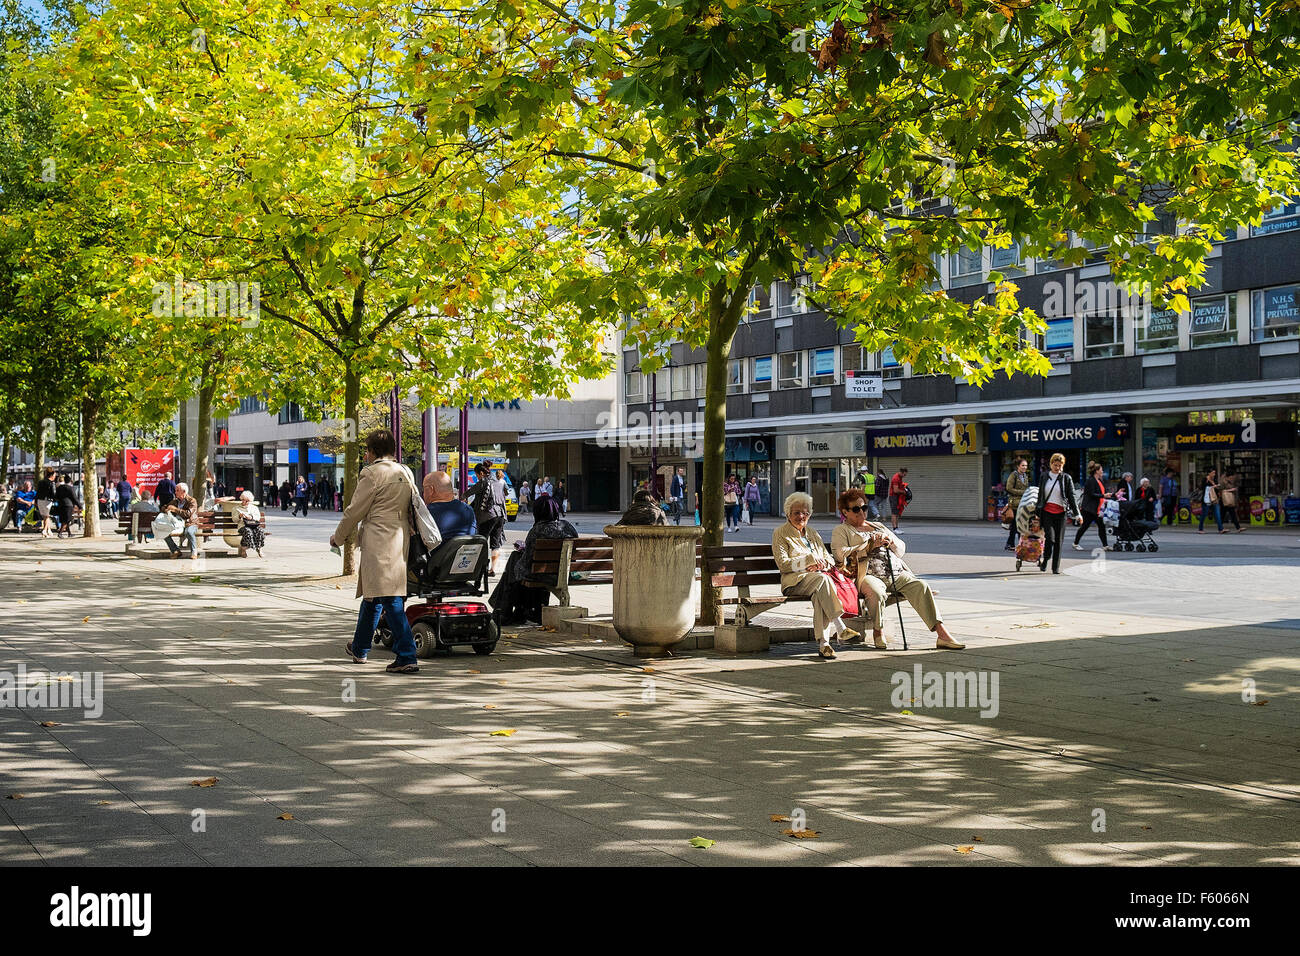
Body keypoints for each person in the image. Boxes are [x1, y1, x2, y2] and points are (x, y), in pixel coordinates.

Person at [331, 429, 422, 674]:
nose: (366, 454)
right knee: (373, 595)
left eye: (367, 450)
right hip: (399, 538)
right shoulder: (405, 471)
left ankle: (406, 654)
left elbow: (354, 511)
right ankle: (360, 648)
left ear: (371, 451)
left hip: (378, 540)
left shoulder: (371, 473)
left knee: (389, 597)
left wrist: (338, 538)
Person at [830, 488, 963, 651]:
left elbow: (901, 549)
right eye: (856, 509)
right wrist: (869, 545)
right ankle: (878, 631)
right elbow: (840, 554)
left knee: (920, 586)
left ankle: (943, 635)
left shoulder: (877, 525)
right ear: (845, 511)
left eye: (864, 508)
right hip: (868, 574)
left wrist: (890, 542)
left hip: (895, 572)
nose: (861, 512)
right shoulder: (842, 530)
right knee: (876, 592)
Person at [772, 492, 858, 659]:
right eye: (796, 512)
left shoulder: (812, 533)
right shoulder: (780, 533)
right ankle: (840, 627)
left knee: (821, 591)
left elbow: (829, 559)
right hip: (794, 582)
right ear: (788, 513)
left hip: (819, 581)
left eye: (805, 512)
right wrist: (808, 562)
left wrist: (823, 564)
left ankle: (824, 644)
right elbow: (783, 564)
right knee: (822, 581)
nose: (801, 516)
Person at [489, 495, 578, 625]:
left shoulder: (537, 530)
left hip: (543, 574)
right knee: (517, 563)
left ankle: (504, 610)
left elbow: (526, 562)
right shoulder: (568, 527)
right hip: (565, 572)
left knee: (514, 563)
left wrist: (518, 558)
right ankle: (522, 611)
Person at [1036, 453, 1080, 574]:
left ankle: (1055, 567)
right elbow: (1040, 495)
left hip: (1061, 513)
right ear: (1051, 464)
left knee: (1059, 541)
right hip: (1046, 512)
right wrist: (1037, 512)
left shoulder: (1066, 478)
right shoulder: (1044, 476)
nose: (1058, 468)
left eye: (1060, 466)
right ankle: (1045, 559)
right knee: (1050, 539)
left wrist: (1077, 514)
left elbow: (1071, 497)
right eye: (1055, 465)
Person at [467, 461, 508, 575]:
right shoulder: (498, 480)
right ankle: (492, 570)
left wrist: (462, 498)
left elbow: (469, 492)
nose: (477, 477)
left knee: (482, 541)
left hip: (488, 516)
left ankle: (482, 568)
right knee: (495, 544)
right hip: (500, 515)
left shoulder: (483, 482)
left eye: (477, 475)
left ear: (481, 473)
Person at [421, 470, 477, 539]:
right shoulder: (468, 510)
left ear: (430, 490)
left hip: (438, 550)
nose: (423, 493)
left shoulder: (426, 513)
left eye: (423, 489)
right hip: (467, 549)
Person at [1073, 461, 1112, 551]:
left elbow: (1102, 493)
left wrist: (1111, 495)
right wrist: (1103, 496)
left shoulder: (1099, 481)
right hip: (1089, 509)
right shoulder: (1090, 481)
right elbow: (1091, 494)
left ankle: (1105, 545)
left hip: (1098, 508)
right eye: (1101, 469)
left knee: (1101, 526)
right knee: (1085, 526)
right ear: (1097, 471)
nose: (1102, 471)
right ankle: (1075, 543)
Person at [161, 482, 201, 558]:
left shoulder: (192, 501)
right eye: (175, 490)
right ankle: (175, 551)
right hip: (177, 524)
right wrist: (165, 509)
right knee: (164, 532)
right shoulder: (175, 501)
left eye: (177, 490)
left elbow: (188, 514)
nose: (175, 492)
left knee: (188, 532)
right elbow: (164, 507)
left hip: (191, 523)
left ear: (184, 491)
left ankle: (194, 552)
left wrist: (175, 510)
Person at [1004, 458, 1030, 551]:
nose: (1024, 467)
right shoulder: (1013, 475)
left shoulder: (1025, 476)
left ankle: (1012, 543)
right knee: (1016, 524)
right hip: (1014, 504)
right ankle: (1016, 544)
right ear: (1018, 466)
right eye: (1023, 465)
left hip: (1023, 503)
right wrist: (1022, 492)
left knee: (1018, 525)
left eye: (1026, 466)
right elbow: (1009, 488)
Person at [231, 491, 265, 557]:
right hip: (242, 526)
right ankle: (244, 549)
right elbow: (234, 520)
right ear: (241, 499)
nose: (246, 502)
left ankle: (259, 549)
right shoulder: (236, 508)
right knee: (247, 531)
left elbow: (257, 517)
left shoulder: (254, 508)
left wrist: (251, 517)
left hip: (253, 525)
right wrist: (240, 516)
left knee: (260, 531)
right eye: (244, 500)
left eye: (248, 501)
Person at [1197, 468, 1224, 534]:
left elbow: (1216, 488)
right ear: (1209, 473)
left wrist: (1216, 486)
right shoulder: (1205, 480)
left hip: (1214, 499)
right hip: (1207, 499)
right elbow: (1203, 488)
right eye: (1213, 473)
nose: (1214, 474)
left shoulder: (1214, 479)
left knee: (1217, 514)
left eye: (1214, 473)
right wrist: (1213, 486)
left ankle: (1221, 529)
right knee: (1204, 514)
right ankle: (1200, 529)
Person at [34, 468, 57, 537]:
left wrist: (35, 501)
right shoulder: (52, 483)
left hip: (40, 500)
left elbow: (37, 492)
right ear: (52, 475)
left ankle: (49, 530)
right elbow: (53, 493)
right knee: (47, 516)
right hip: (48, 501)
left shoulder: (40, 482)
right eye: (55, 475)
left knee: (45, 517)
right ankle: (44, 530)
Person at [888, 467, 909, 532]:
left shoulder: (899, 477)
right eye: (904, 475)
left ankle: (896, 527)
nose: (905, 476)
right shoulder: (896, 478)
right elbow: (896, 490)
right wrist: (904, 492)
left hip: (896, 497)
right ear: (902, 472)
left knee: (897, 513)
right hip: (893, 497)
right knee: (894, 513)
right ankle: (895, 528)